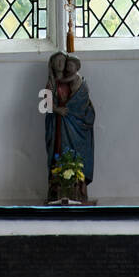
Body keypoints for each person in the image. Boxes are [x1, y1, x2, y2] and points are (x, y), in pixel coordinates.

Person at [44, 52, 95, 197]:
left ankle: (78, 184)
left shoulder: (73, 80)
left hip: (73, 123)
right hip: (58, 124)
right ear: (52, 64)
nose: (60, 63)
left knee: (75, 151)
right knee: (59, 151)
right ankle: (57, 186)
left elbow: (80, 101)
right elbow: (44, 104)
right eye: (57, 61)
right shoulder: (51, 83)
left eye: (63, 60)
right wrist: (57, 109)